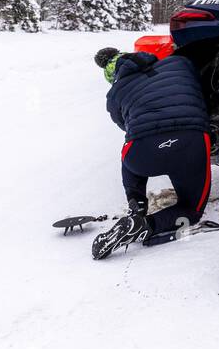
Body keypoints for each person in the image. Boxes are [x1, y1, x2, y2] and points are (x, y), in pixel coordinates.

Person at [90, 47, 212, 260]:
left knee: (131, 147)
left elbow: (126, 127)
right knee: (191, 209)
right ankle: (146, 226)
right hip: (191, 142)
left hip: (144, 153)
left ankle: (136, 206)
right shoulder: (180, 63)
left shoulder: (114, 94)